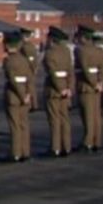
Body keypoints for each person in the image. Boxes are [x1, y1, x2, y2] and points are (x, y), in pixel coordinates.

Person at [74, 25, 103, 152]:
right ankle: (96, 140)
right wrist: (100, 82)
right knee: (96, 115)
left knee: (87, 115)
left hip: (86, 86)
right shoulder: (99, 51)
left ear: (83, 38)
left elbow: (85, 69)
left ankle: (88, 141)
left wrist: (94, 84)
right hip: (97, 87)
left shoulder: (81, 51)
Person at [43, 26, 75, 157]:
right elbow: (70, 71)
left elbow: (53, 73)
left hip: (54, 91)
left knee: (55, 120)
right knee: (65, 119)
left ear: (51, 39)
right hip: (66, 89)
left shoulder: (50, 53)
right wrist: (69, 88)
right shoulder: (66, 51)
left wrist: (61, 89)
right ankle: (66, 146)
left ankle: (55, 147)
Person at [2, 31, 32, 162]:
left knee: (15, 126)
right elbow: (29, 78)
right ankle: (25, 151)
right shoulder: (24, 60)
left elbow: (13, 81)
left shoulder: (9, 61)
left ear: (7, 45)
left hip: (15, 97)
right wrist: (28, 94)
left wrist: (22, 95)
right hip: (25, 95)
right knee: (24, 124)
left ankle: (15, 153)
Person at [20, 28, 41, 112]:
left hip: (28, 69)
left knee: (29, 87)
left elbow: (31, 59)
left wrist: (33, 69)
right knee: (29, 87)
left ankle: (32, 105)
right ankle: (32, 104)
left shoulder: (27, 47)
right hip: (27, 69)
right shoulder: (27, 45)